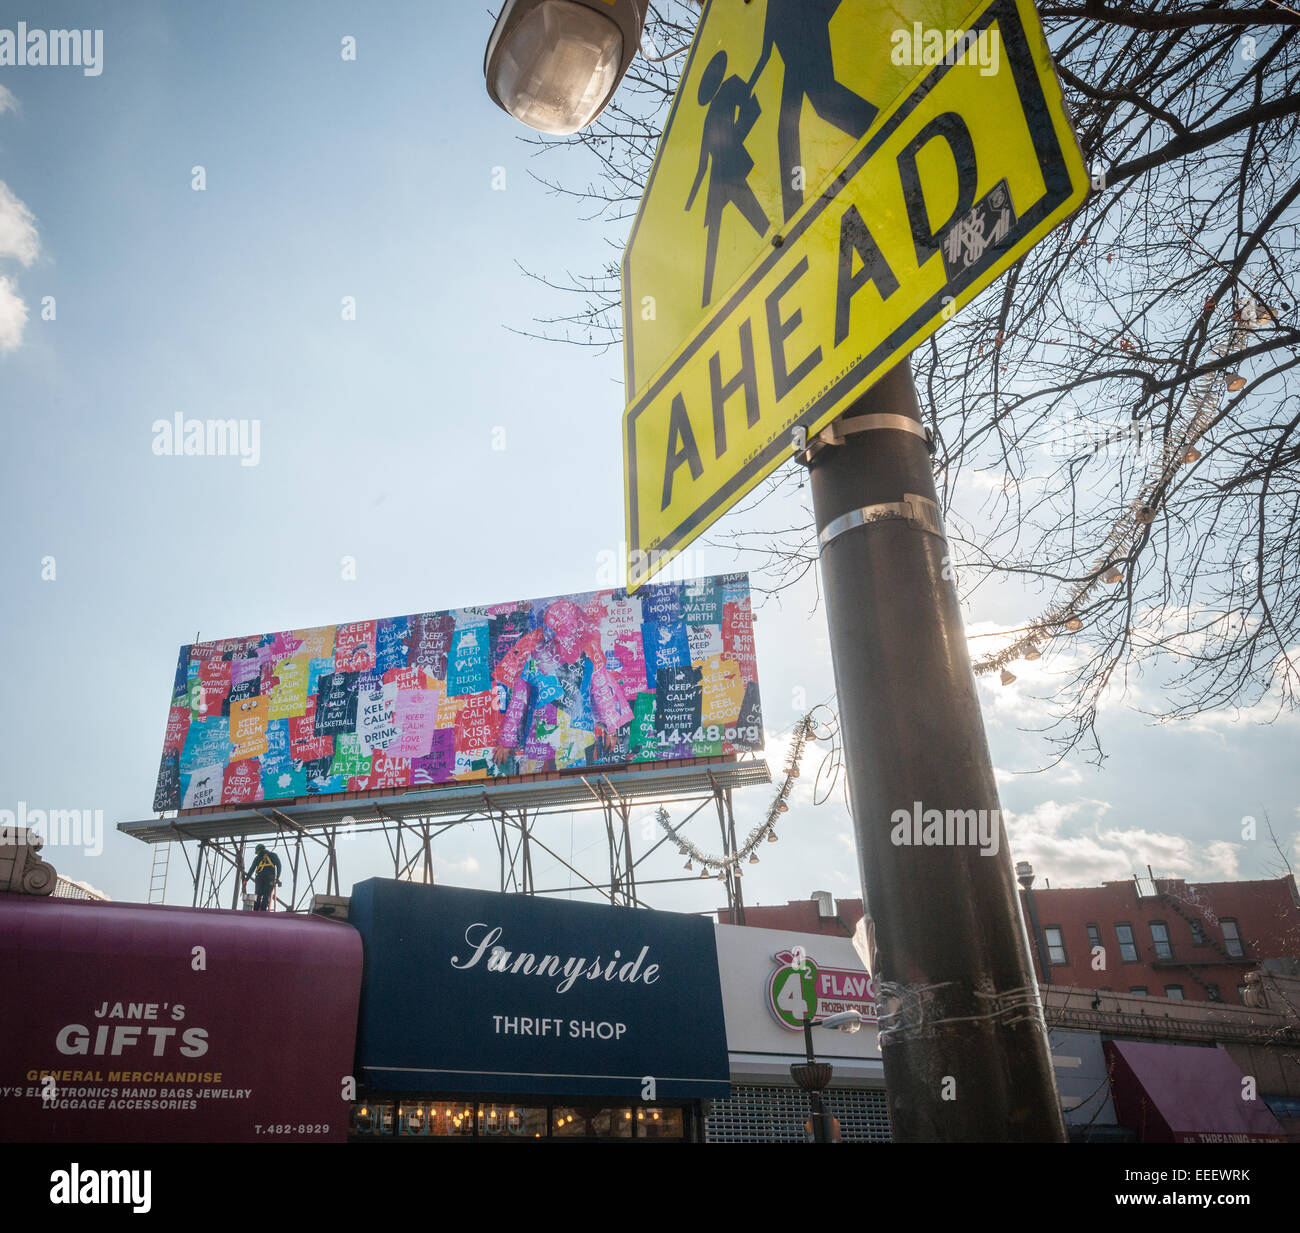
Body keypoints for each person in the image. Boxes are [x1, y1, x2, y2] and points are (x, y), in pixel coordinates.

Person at [747, 0, 878, 223]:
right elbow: (765, 53)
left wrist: (817, 27)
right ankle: (793, 210)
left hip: (809, 45)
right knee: (786, 130)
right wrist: (748, 87)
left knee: (825, 105)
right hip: (794, 65)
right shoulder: (769, 8)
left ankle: (880, 130)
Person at [687, 50, 770, 307]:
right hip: (718, 176)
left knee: (752, 212)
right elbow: (702, 164)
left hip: (730, 168)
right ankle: (705, 299)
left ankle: (777, 241)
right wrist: (689, 203)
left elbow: (751, 103)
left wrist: (737, 135)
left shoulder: (730, 85)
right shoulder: (708, 117)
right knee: (714, 228)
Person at [244, 843, 281, 911]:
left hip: (259, 878)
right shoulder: (273, 855)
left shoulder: (257, 858)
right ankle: (263, 912)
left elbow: (252, 869)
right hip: (270, 878)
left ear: (258, 851)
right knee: (266, 896)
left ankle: (255, 911)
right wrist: (277, 878)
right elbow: (279, 866)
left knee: (258, 895)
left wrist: (246, 880)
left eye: (257, 852)